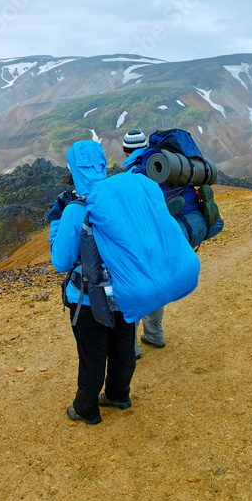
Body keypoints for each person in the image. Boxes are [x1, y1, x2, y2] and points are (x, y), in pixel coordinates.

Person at [49, 140, 137, 425]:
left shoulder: (74, 211)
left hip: (88, 299)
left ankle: (86, 407)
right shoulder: (121, 197)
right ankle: (118, 394)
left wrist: (56, 228)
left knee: (92, 354)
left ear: (73, 170)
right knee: (123, 345)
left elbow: (61, 262)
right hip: (123, 291)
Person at [121, 129, 167, 355]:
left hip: (138, 241)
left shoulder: (128, 176)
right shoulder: (158, 167)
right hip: (160, 237)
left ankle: (133, 346)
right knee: (157, 284)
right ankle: (155, 334)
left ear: (125, 150)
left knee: (136, 288)